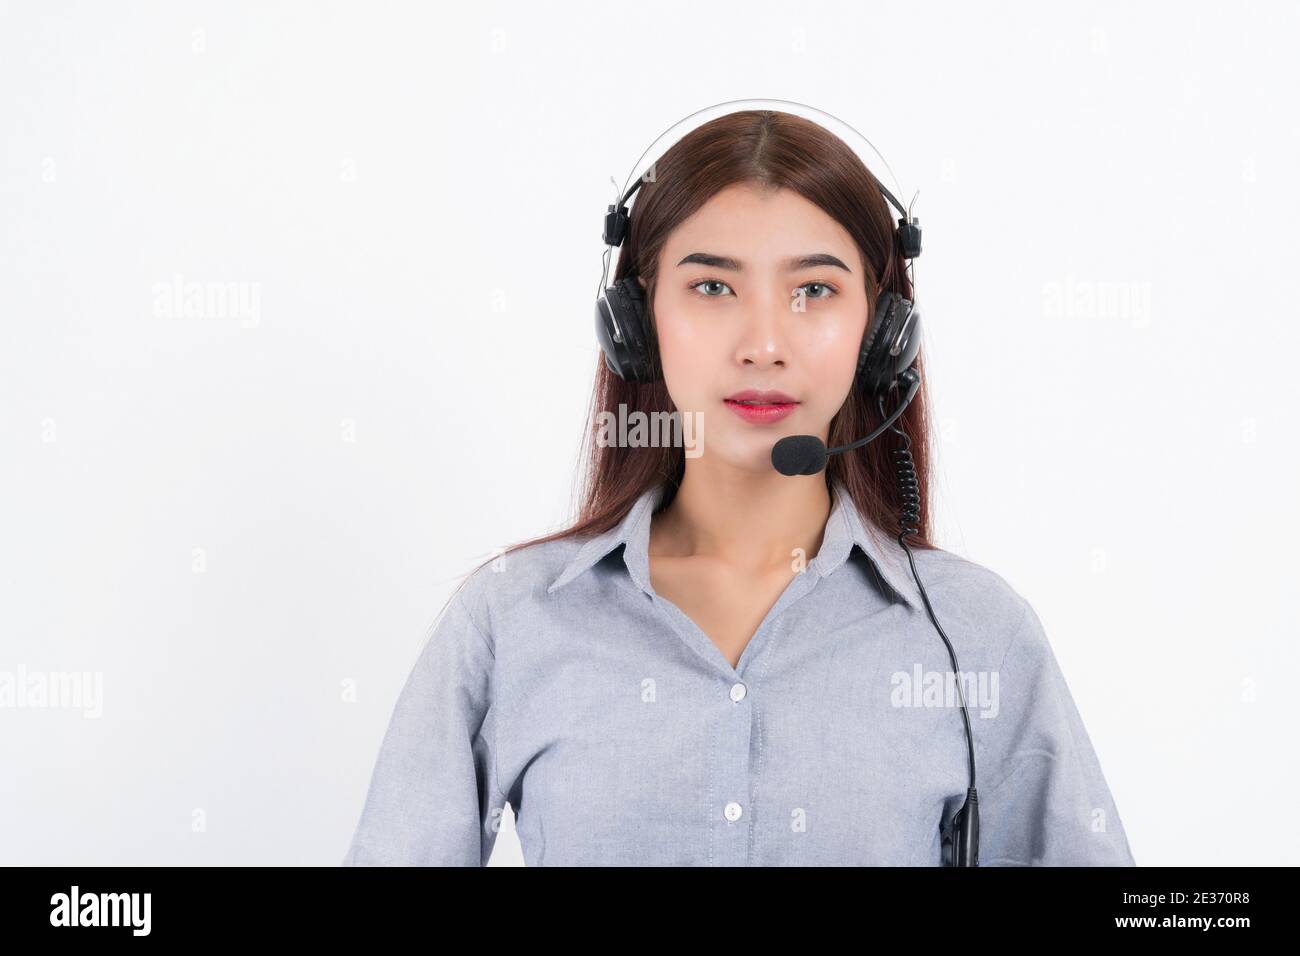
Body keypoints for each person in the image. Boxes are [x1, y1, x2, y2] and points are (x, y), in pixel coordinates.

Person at [342, 107, 1136, 867]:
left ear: (881, 334)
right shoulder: (510, 622)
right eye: (713, 287)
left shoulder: (976, 635)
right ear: (636, 320)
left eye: (814, 290)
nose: (763, 343)